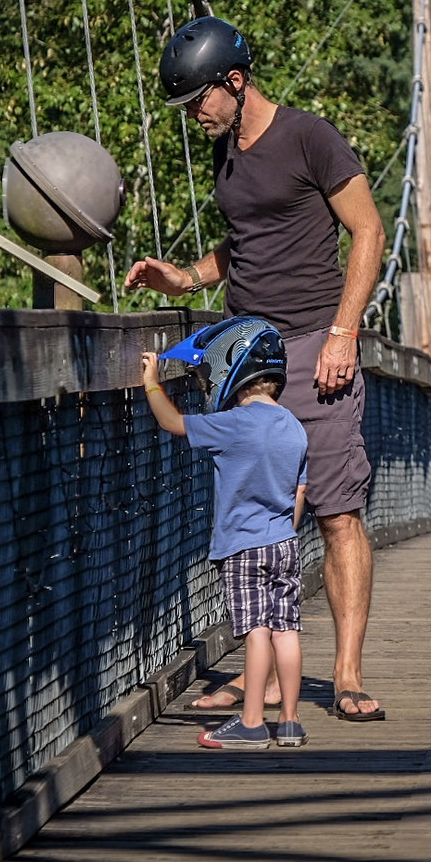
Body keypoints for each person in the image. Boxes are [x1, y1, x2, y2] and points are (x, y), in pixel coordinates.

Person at [125, 16, 388, 721]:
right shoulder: (228, 154)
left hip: (314, 345)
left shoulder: (310, 137)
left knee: (336, 513)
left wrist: (343, 334)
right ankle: (263, 675)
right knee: (256, 526)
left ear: (235, 81)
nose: (194, 116)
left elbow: (368, 229)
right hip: (244, 360)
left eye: (198, 101)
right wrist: (186, 277)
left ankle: (347, 674)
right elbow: (246, 242)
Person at [142, 317, 310, 749]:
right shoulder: (294, 426)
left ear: (231, 369)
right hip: (285, 544)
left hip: (244, 546)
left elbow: (173, 423)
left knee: (256, 631)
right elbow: (300, 492)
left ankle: (251, 723)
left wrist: (152, 384)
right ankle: (290, 722)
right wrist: (283, 532)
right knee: (285, 630)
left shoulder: (234, 422)